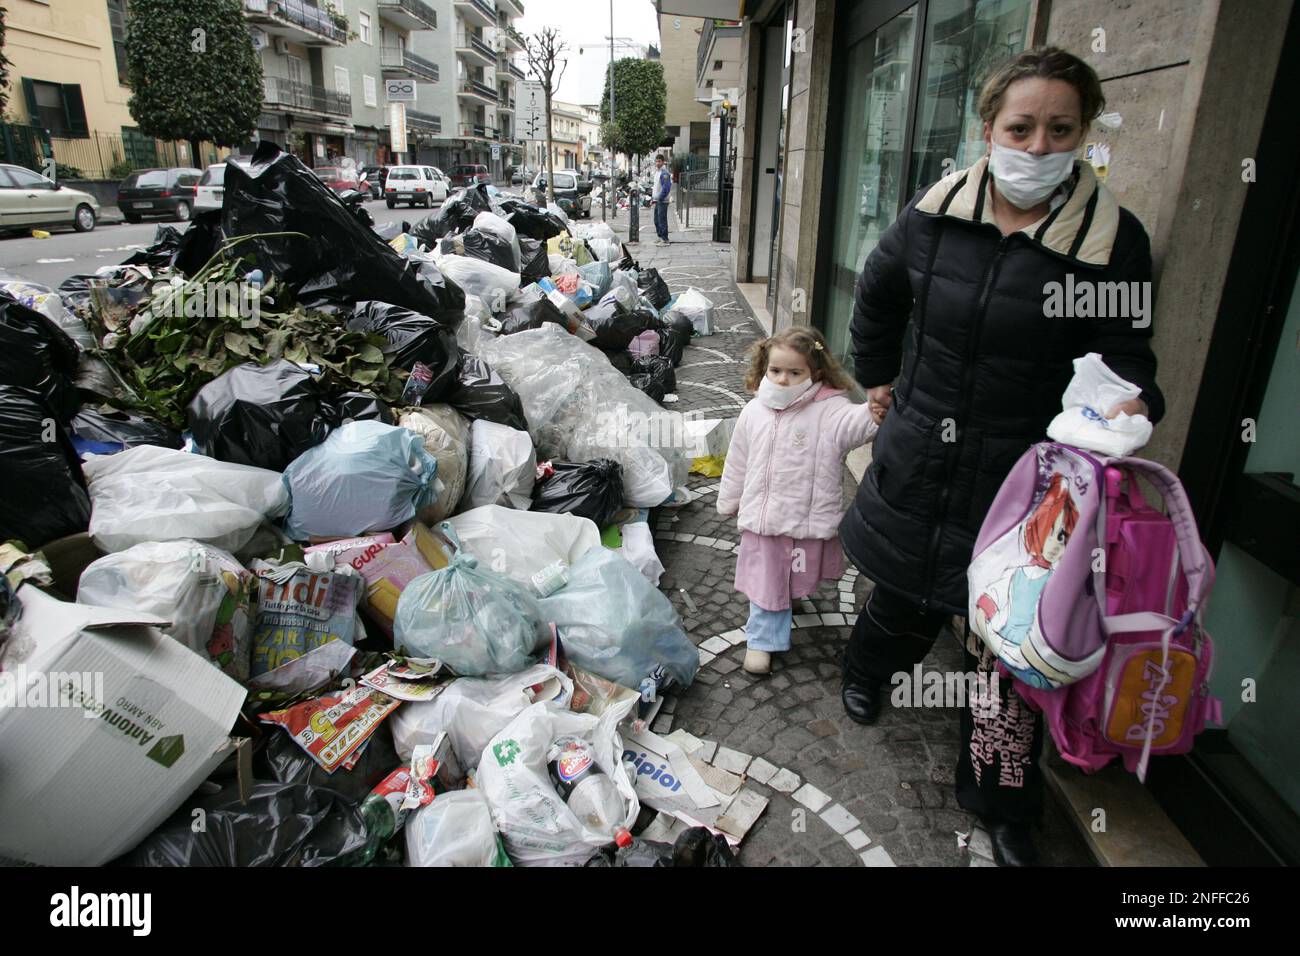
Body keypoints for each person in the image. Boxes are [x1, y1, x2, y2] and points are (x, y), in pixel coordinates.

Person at [837, 46, 1164, 866]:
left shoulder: (1110, 241)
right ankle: (869, 668)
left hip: (1028, 482)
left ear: (1085, 134)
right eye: (1022, 127)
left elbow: (1126, 357)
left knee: (1008, 650)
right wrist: (877, 379)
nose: (1039, 147)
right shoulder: (934, 213)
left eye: (1061, 130)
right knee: (905, 592)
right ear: (990, 129)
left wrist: (1131, 402)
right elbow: (879, 294)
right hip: (924, 444)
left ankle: (1001, 800)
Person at [717, 328, 878, 676]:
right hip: (764, 518)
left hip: (803, 516)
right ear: (764, 369)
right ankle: (762, 639)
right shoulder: (754, 411)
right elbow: (738, 458)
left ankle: (785, 600)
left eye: (794, 372)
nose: (783, 379)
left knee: (792, 572)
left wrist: (875, 411)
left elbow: (855, 424)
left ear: (815, 372)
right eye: (776, 371)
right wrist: (730, 498)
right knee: (767, 579)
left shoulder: (830, 410)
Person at [652, 154, 672, 245]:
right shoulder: (657, 172)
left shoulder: (664, 173)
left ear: (663, 162)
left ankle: (665, 239)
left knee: (662, 219)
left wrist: (660, 197)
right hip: (657, 200)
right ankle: (661, 237)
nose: (657, 163)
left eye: (659, 161)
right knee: (656, 220)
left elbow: (666, 188)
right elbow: (656, 187)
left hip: (662, 200)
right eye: (656, 161)